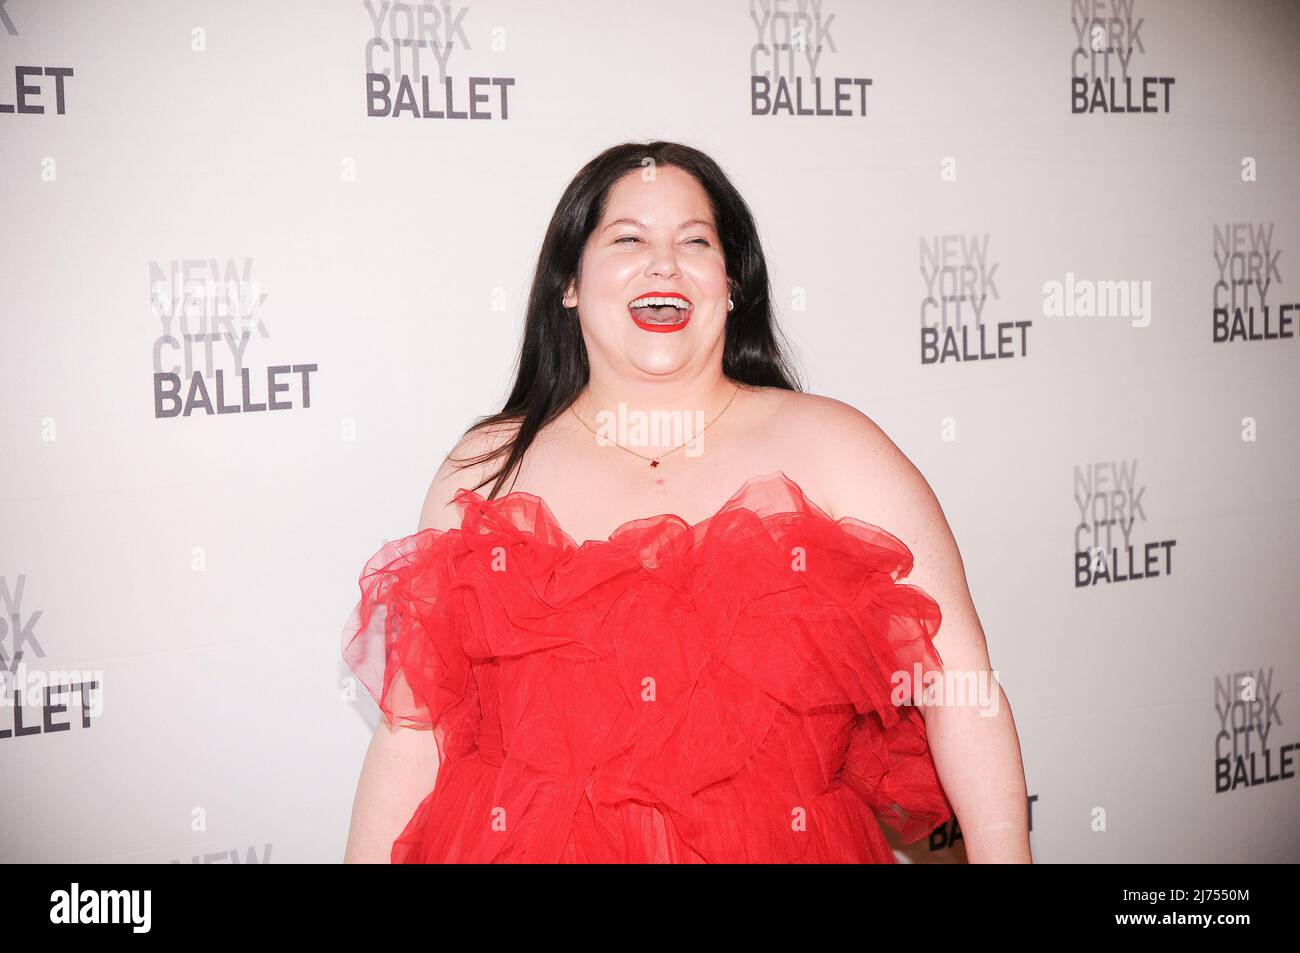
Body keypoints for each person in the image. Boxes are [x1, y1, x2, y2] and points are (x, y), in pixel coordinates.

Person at [341, 141, 1031, 863]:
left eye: (694, 241)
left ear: (731, 285)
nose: (664, 263)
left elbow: (961, 688)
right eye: (629, 238)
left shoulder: (838, 449)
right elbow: (413, 734)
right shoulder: (484, 471)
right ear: (569, 284)